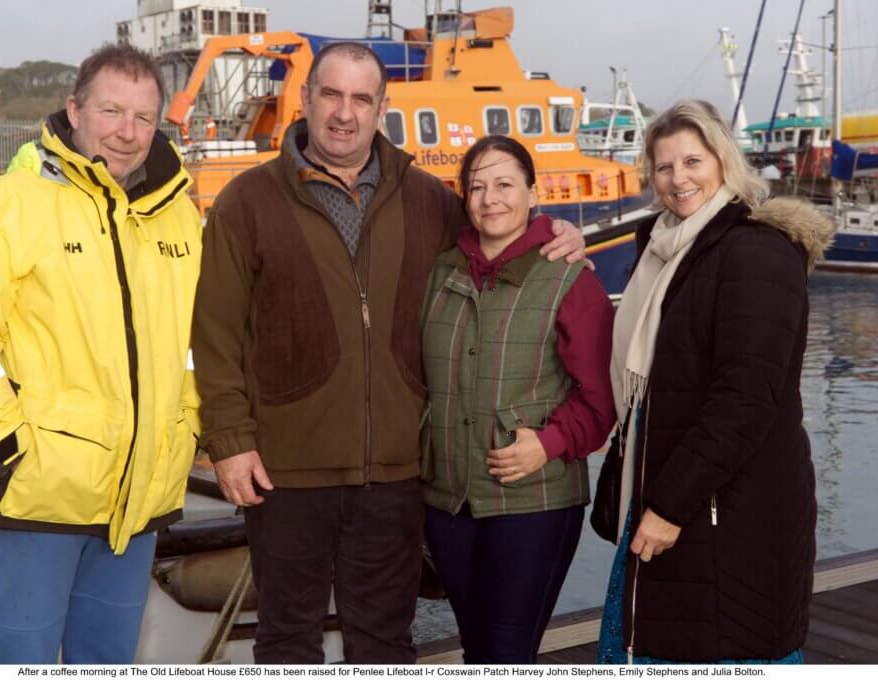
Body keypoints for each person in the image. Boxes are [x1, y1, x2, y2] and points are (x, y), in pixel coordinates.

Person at [191, 42, 586, 664]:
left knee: (383, 644)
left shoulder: (428, 199)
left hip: (398, 474)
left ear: (382, 108)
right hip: (285, 473)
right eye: (331, 94)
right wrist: (231, 441)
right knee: (286, 640)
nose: (344, 113)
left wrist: (557, 232)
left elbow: (500, 232)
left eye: (361, 98)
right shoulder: (247, 202)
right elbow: (214, 334)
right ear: (307, 98)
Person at [0, 44, 202, 664]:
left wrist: (186, 427)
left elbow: (193, 348)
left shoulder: (180, 219)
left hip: (138, 505)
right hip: (36, 501)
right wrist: (7, 447)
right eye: (111, 111)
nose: (127, 133)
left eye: (144, 117)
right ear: (74, 110)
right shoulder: (11, 203)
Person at [596, 100, 833, 664]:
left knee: (728, 644)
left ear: (724, 161)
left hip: (726, 507)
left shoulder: (755, 250)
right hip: (673, 489)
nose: (679, 179)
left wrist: (670, 506)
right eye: (664, 166)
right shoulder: (669, 251)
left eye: (693, 162)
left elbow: (747, 398)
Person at [420, 135, 616, 663]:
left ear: (534, 193)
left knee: (509, 652)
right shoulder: (440, 273)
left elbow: (602, 398)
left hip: (534, 503)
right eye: (477, 186)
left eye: (505, 183)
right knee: (476, 649)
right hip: (450, 504)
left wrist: (549, 443)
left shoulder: (570, 278)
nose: (491, 198)